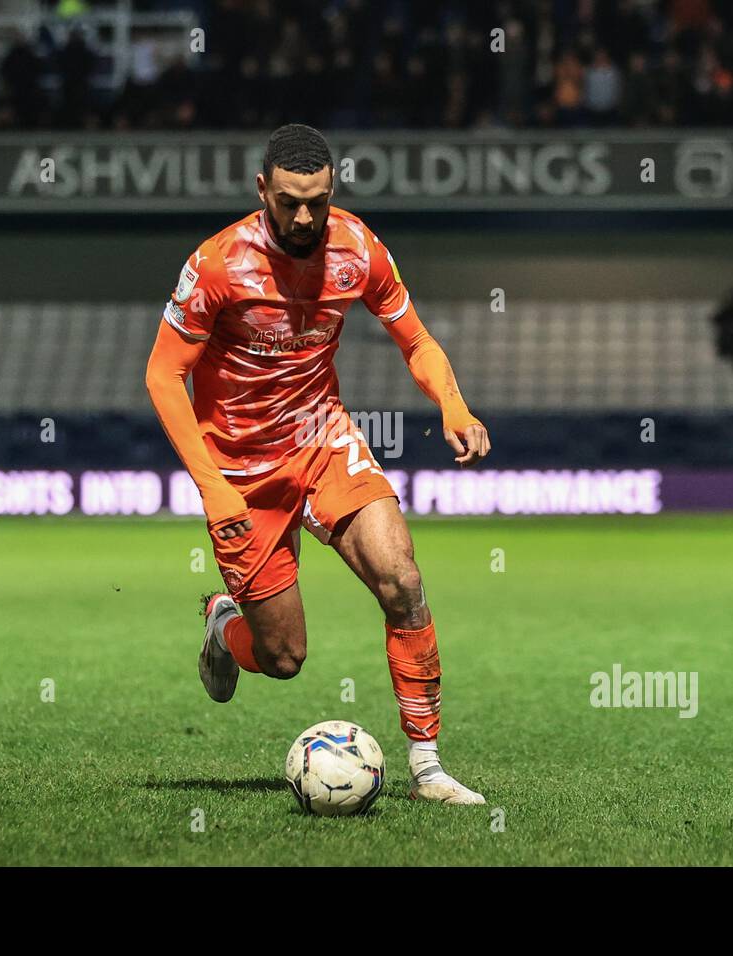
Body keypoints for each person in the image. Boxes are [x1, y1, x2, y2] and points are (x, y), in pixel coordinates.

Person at [144, 124, 490, 804]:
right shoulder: (217, 264)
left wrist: (452, 403)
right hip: (241, 473)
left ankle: (427, 770)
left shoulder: (357, 248)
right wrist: (214, 490)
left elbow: (414, 339)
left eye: (319, 201)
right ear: (262, 190)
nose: (305, 217)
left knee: (404, 581)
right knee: (283, 659)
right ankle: (224, 626)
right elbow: (162, 378)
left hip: (322, 439)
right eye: (290, 202)